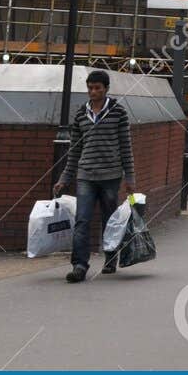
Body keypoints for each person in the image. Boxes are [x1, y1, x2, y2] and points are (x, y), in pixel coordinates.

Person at [54, 69, 136, 284]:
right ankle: (79, 265)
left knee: (109, 220)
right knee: (82, 220)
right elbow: (74, 151)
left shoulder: (118, 112)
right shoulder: (81, 114)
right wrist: (64, 178)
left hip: (111, 175)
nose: (93, 92)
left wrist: (130, 178)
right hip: (86, 175)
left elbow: (126, 147)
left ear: (106, 89)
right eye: (90, 88)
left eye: (97, 88)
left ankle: (110, 257)